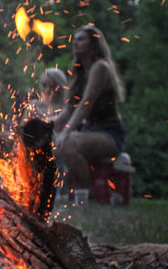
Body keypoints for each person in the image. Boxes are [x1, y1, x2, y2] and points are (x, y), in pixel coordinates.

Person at [53, 25, 126, 203]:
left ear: (92, 44)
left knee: (67, 144)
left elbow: (86, 104)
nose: (75, 43)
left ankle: (88, 193)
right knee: (53, 140)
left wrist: (65, 132)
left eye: (81, 39)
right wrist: (46, 126)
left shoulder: (100, 67)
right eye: (74, 39)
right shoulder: (80, 73)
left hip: (109, 133)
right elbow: (69, 110)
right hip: (89, 130)